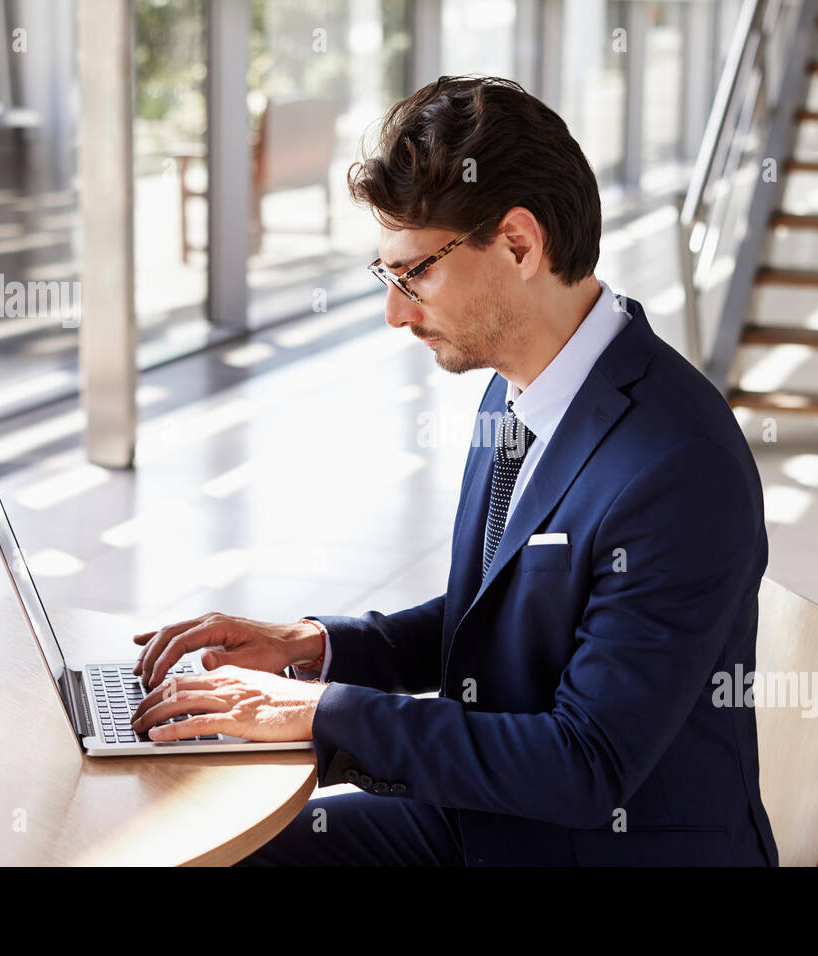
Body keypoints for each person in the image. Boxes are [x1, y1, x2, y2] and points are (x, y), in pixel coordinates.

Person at [130, 75, 778, 867]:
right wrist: (312, 648)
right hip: (494, 820)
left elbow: (587, 766)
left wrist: (320, 713)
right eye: (387, 276)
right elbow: (497, 623)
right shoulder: (519, 384)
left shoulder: (677, 469)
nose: (397, 312)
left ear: (518, 244)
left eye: (417, 272)